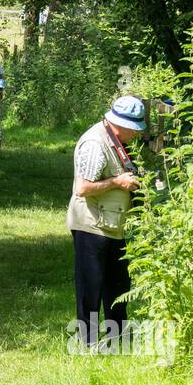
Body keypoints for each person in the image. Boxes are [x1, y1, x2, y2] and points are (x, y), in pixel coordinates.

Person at [67, 95, 145, 351]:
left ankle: (119, 340)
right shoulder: (94, 142)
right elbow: (83, 188)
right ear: (119, 124)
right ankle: (87, 343)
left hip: (113, 224)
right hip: (91, 224)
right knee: (91, 287)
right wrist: (116, 182)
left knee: (119, 285)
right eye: (133, 128)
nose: (136, 134)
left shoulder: (117, 139)